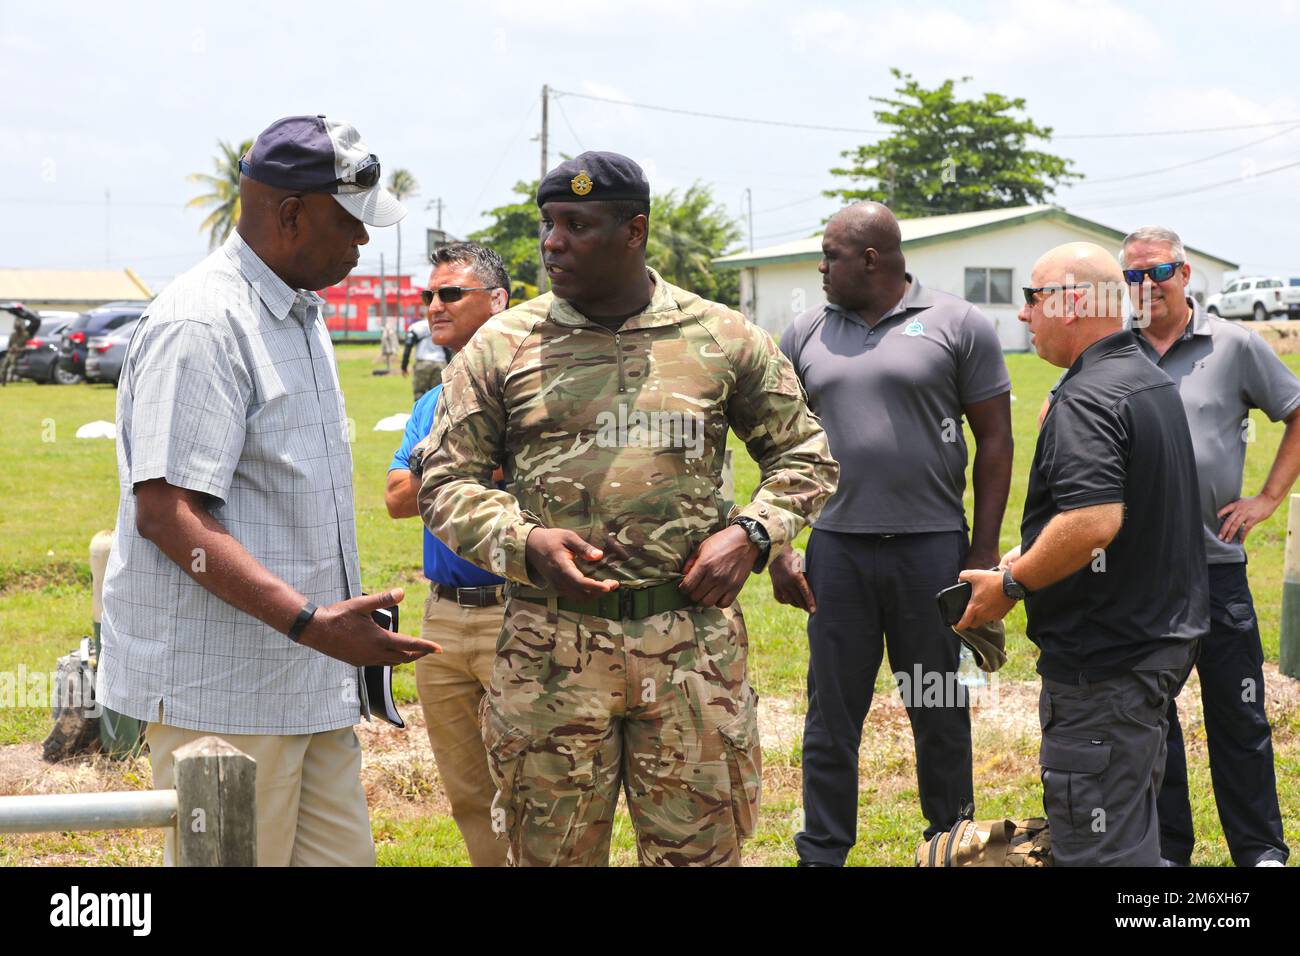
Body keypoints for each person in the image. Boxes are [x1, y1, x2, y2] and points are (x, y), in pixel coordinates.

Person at [414, 151, 838, 867]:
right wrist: (523, 542)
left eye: (578, 225)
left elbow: (805, 455)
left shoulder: (720, 338)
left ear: (634, 230)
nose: (553, 242)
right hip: (549, 652)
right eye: (550, 223)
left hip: (692, 652)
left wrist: (752, 534)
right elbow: (443, 481)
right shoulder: (503, 346)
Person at [99, 115, 439, 867]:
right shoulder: (203, 322)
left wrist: (322, 633)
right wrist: (312, 621)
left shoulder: (297, 313)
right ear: (291, 214)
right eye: (351, 222)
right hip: (221, 698)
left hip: (306, 685)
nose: (362, 242)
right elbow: (167, 514)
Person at [772, 201, 1013, 866]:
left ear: (871, 258)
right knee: (831, 720)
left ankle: (952, 847)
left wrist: (984, 552)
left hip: (932, 551)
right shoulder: (804, 333)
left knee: (939, 712)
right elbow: (779, 445)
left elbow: (995, 438)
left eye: (831, 256)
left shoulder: (958, 323)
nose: (820, 268)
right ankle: (822, 851)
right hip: (838, 552)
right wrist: (783, 544)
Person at [958, 241, 1208, 867]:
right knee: (1128, 831)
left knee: (1101, 851)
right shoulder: (1146, 378)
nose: (1023, 315)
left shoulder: (1089, 397)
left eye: (1031, 298)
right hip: (1151, 650)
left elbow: (1094, 519)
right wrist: (1020, 555)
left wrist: (1010, 585)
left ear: (1071, 303)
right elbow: (1122, 514)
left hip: (1104, 667)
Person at [1119, 226, 1296, 867]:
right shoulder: (1116, 352)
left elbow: (1296, 408)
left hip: (1216, 568)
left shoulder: (1234, 345)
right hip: (1138, 575)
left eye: (1158, 272)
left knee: (1240, 718)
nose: (1147, 287)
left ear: (1186, 273)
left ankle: (1260, 854)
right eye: (1133, 276)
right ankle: (1167, 854)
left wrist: (1267, 499)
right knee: (1151, 723)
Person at [385, 241, 511, 866]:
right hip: (441, 619)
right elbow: (398, 498)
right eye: (429, 295)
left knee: (534, 787)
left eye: (451, 294)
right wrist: (471, 465)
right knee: (467, 794)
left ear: (498, 301)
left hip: (519, 613)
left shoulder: (532, 396)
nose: (435, 305)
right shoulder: (431, 403)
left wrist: (436, 466)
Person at [401, 312, 448, 402]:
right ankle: (434, 415)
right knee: (437, 395)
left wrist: (404, 366)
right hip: (440, 363)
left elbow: (408, 346)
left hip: (423, 363)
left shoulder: (416, 327)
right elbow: (447, 348)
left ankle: (420, 416)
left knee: (419, 393)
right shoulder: (441, 325)